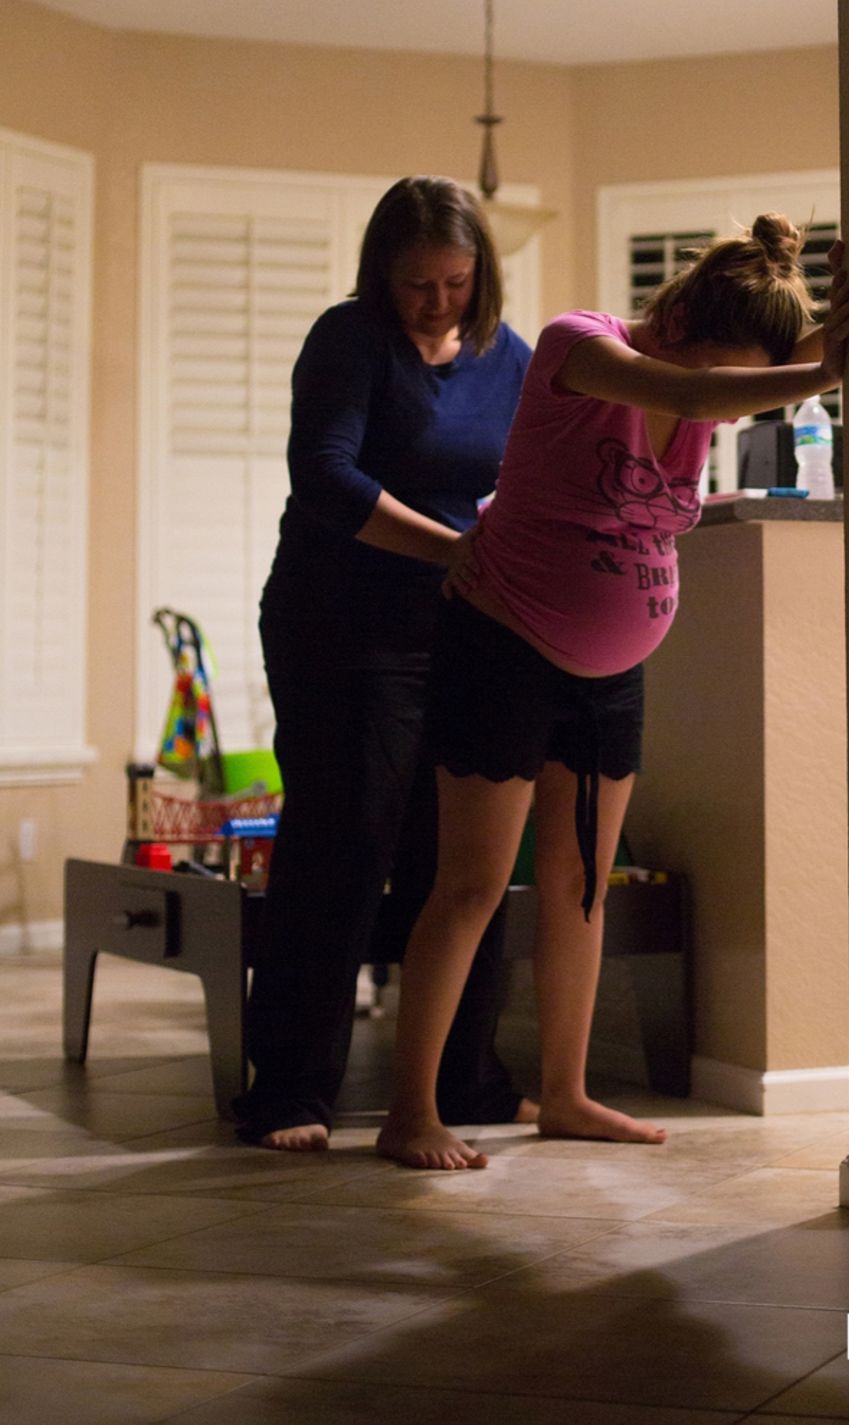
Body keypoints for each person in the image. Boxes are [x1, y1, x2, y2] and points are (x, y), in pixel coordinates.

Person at [376, 214, 849, 1168]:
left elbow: (733, 375)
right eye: (726, 378)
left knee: (582, 888)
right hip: (503, 646)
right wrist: (820, 371)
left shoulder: (708, 379)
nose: (722, 413)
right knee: (473, 884)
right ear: (677, 315)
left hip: (609, 670)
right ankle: (410, 1112)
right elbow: (692, 386)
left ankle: (566, 1094)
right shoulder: (578, 344)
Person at [234, 176, 537, 1150]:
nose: (438, 300)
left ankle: (470, 1080)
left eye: (455, 281)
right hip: (342, 623)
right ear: (381, 274)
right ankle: (288, 1089)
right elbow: (326, 475)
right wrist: (455, 549)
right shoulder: (349, 339)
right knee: (345, 836)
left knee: (464, 855)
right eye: (417, 283)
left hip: (464, 626)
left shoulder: (508, 355)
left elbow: (539, 471)